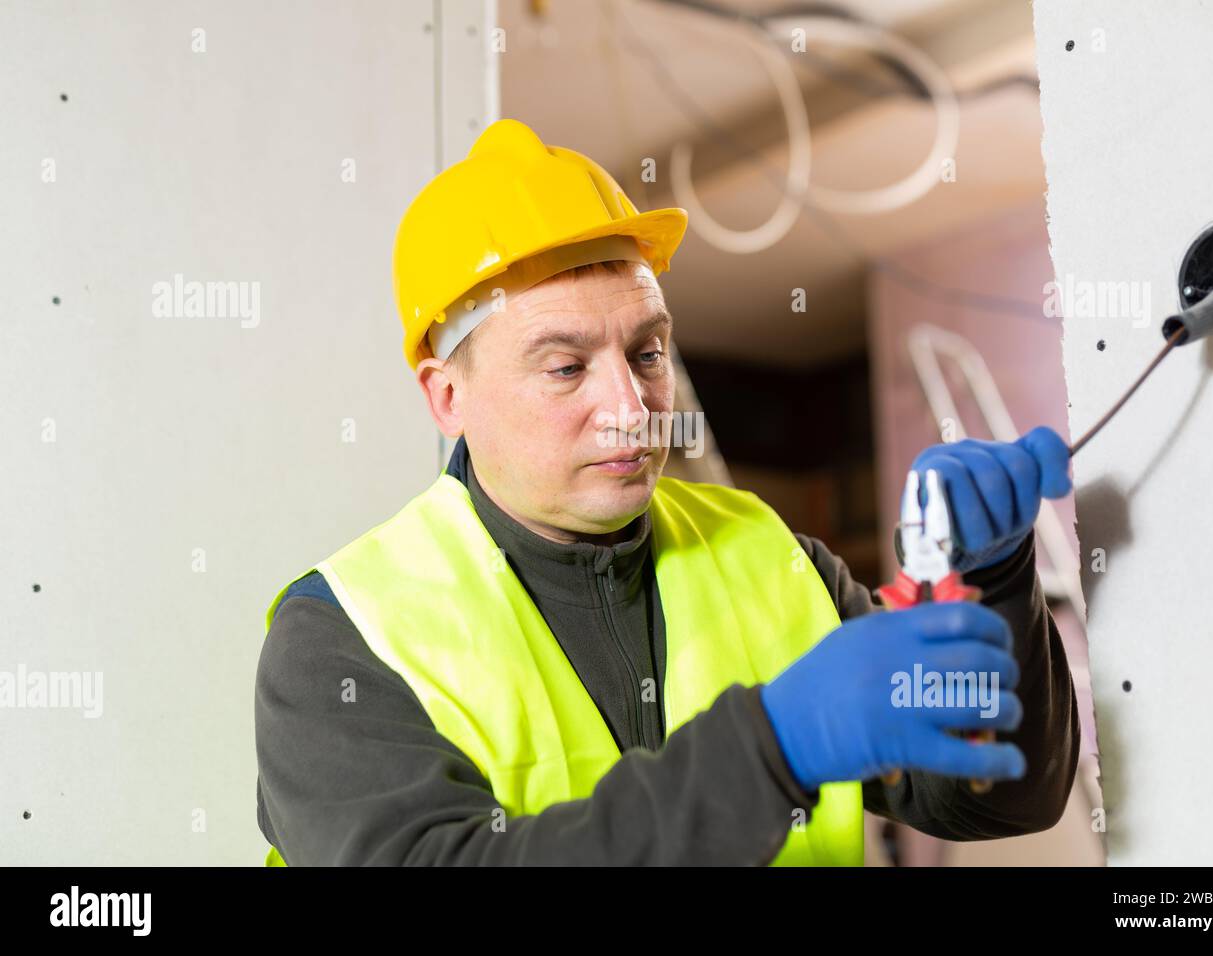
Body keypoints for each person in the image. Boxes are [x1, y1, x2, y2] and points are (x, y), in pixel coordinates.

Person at [254, 118, 1080, 866]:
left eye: (647, 354)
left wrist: (999, 580)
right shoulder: (342, 636)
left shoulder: (767, 554)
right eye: (567, 367)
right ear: (448, 397)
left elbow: (1005, 794)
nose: (631, 410)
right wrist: (773, 750)